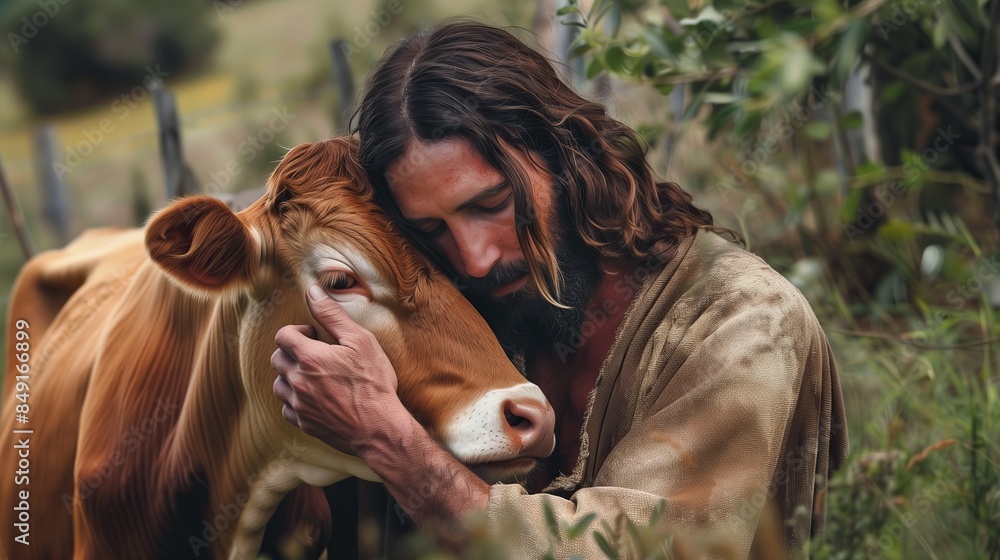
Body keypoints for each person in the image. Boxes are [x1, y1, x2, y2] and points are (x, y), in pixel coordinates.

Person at [271, 20, 848, 558]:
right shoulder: (454, 313)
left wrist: (388, 441)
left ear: (565, 154)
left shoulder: (743, 319)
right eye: (430, 229)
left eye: (492, 203)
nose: (474, 259)